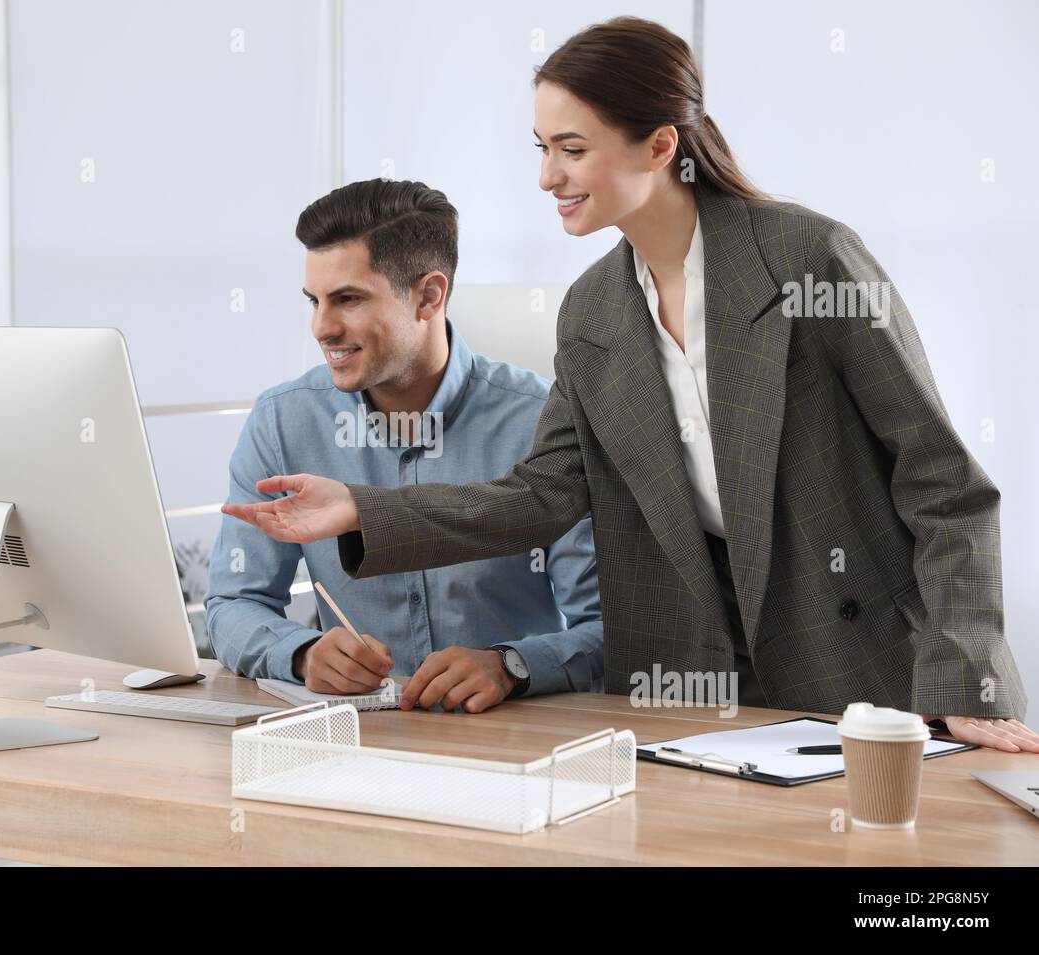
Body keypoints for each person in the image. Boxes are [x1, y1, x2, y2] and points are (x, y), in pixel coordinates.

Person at [223, 17, 1038, 752]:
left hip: (862, 672)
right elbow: (542, 495)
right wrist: (365, 509)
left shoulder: (808, 259)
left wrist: (966, 680)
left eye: (571, 149)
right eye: (540, 148)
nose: (547, 176)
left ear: (659, 145)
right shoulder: (593, 311)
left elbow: (944, 484)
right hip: (686, 679)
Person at [205, 179, 603, 713]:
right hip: (356, 738)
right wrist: (299, 653)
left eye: (348, 299)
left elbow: (608, 627)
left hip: (512, 738)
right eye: (314, 301)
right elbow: (235, 601)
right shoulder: (283, 420)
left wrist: (513, 665)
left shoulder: (542, 422)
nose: (322, 327)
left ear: (428, 295)